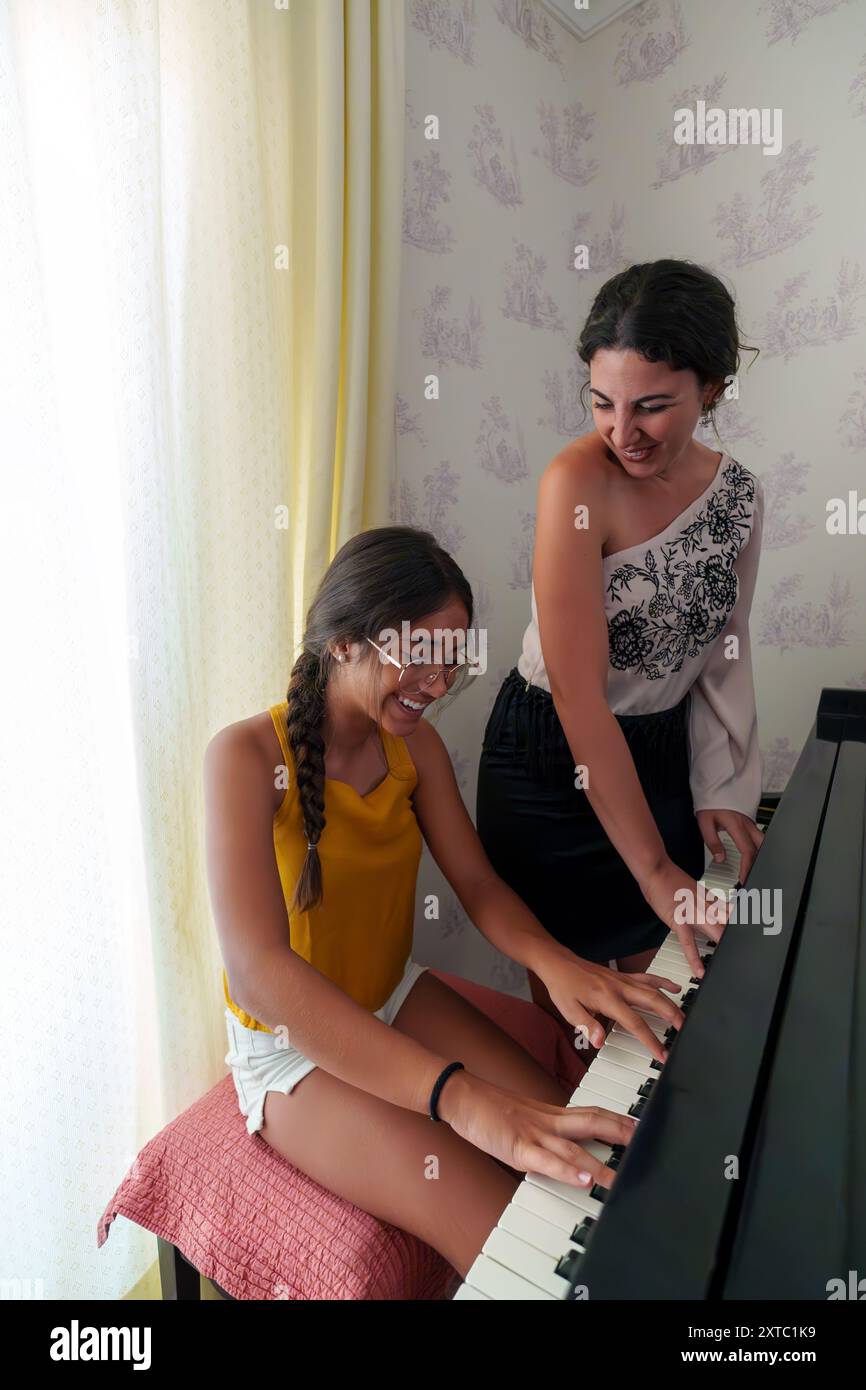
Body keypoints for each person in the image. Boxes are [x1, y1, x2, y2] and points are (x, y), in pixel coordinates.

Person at [205, 526, 683, 1282]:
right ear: (343, 642)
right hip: (292, 1052)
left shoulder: (415, 751)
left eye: (448, 664)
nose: (434, 685)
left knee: (584, 1151)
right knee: (510, 1242)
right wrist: (456, 1099)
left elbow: (482, 886)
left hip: (391, 997)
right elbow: (262, 975)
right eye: (418, 657)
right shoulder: (243, 758)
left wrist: (560, 965)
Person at [476, 259, 765, 1037]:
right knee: (587, 1029)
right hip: (551, 757)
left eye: (652, 407)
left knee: (679, 1010)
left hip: (658, 752)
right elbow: (577, 694)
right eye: (603, 402)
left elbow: (724, 646)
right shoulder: (575, 483)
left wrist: (722, 788)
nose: (622, 431)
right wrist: (655, 871)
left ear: (710, 387)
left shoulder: (737, 497)